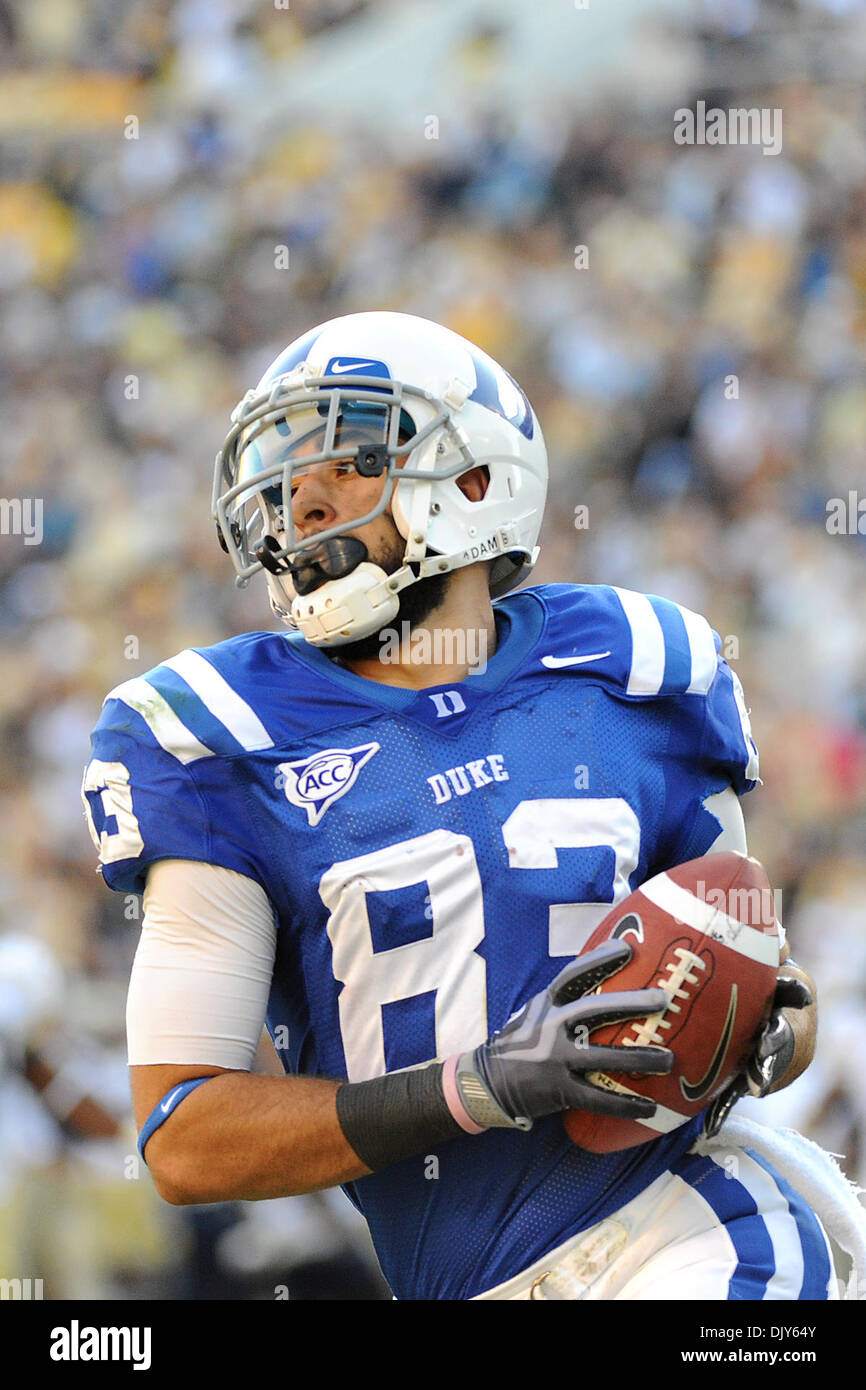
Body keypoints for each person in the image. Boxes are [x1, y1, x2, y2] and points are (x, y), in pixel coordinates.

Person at [82, 311, 834, 1301]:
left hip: (688, 1227)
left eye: (345, 459)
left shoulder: (629, 670)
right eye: (283, 473)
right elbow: (183, 1135)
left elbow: (740, 951)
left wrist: (773, 1025)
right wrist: (475, 1086)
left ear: (473, 480)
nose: (299, 499)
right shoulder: (215, 737)